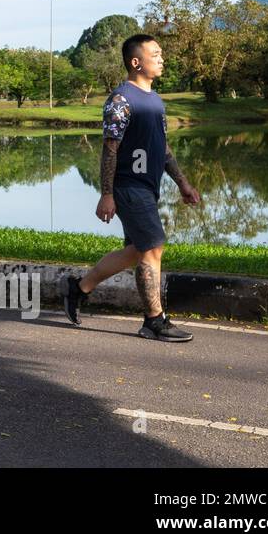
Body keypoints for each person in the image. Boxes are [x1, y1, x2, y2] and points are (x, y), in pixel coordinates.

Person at [63, 34, 202, 342]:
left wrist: (183, 184)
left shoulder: (154, 100)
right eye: (156, 54)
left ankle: (79, 288)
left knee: (134, 251)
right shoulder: (121, 100)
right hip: (129, 187)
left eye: (161, 53)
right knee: (153, 247)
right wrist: (107, 193)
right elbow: (110, 149)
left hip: (149, 187)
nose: (162, 58)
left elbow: (162, 148)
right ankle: (154, 320)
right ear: (136, 62)